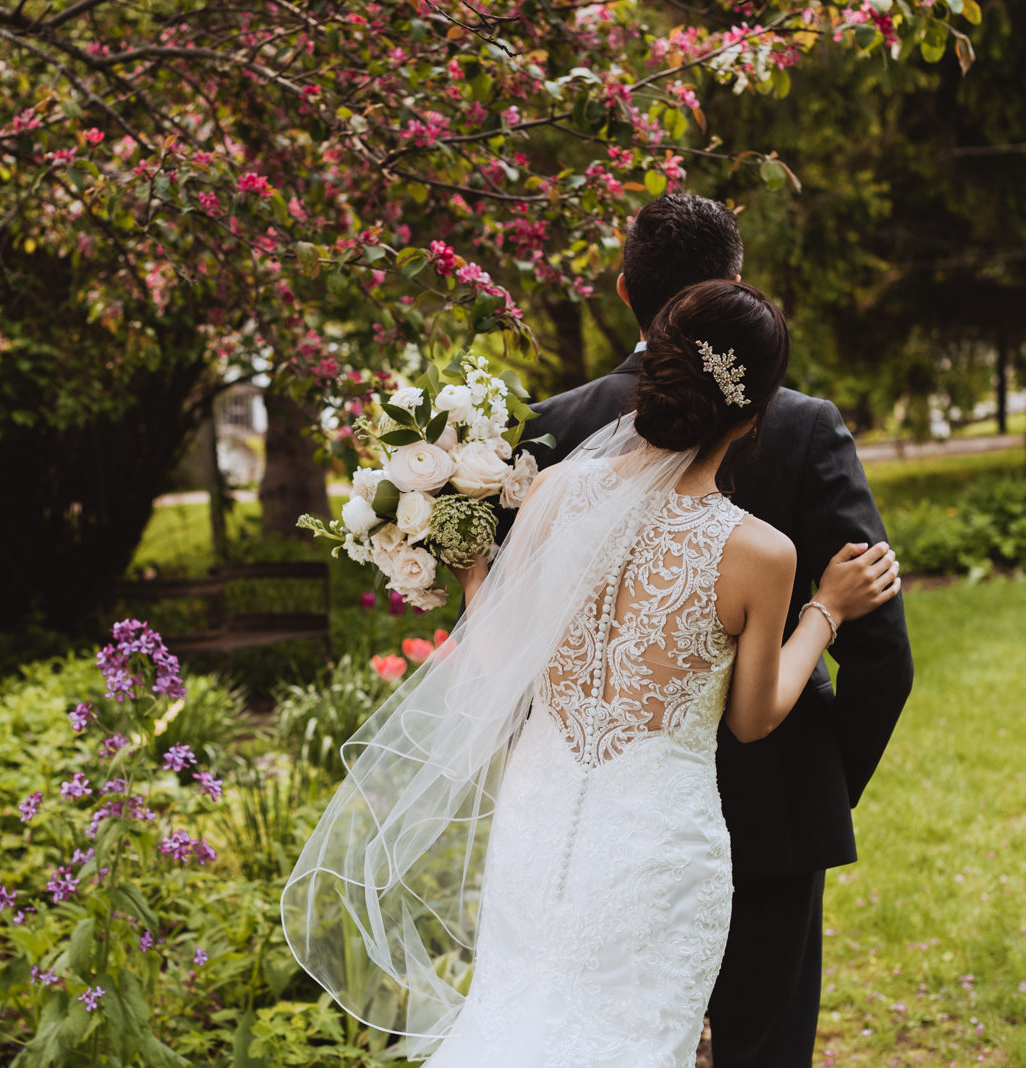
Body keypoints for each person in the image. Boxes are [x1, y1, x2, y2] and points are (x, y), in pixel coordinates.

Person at [282, 278, 902, 1067]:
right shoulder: (761, 553)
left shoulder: (552, 492)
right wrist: (828, 611)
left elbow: (499, 661)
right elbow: (752, 717)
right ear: (756, 414)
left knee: (517, 1024)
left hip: (538, 819)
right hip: (658, 845)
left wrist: (474, 574)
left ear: (655, 377)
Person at [523, 193, 915, 1067]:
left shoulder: (553, 431)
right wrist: (819, 795)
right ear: (734, 287)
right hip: (770, 815)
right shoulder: (802, 424)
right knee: (762, 1052)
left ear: (624, 291)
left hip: (593, 816)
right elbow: (882, 661)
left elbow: (525, 644)